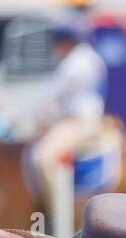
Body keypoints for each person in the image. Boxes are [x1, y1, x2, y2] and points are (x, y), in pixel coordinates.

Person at [32, 19, 108, 199]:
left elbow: (59, 98)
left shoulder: (75, 62)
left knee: (43, 158)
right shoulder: (88, 57)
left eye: (56, 44)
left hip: (76, 122)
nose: (55, 49)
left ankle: (57, 214)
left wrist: (43, 118)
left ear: (67, 42)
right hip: (87, 119)